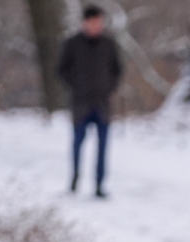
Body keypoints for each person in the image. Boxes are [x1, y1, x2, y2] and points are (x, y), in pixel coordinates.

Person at [57, 4, 122, 198]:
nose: (96, 25)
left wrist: (109, 88)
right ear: (85, 22)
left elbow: (117, 70)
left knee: (102, 147)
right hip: (80, 103)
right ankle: (75, 179)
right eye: (93, 22)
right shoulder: (72, 43)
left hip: (102, 104)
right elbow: (61, 70)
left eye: (99, 22)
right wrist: (76, 87)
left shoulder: (109, 44)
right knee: (78, 143)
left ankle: (99, 184)